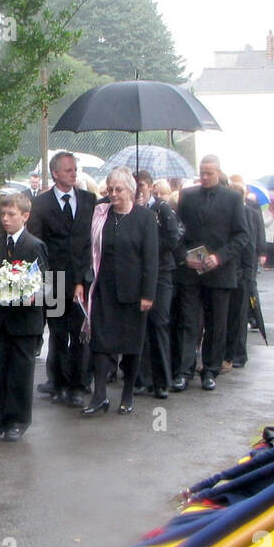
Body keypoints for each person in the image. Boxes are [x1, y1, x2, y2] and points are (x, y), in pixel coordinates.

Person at [79, 167, 158, 415]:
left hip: (133, 293)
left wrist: (148, 294)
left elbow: (151, 258)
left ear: (131, 191)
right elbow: (88, 251)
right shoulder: (101, 214)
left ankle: (127, 394)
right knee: (100, 344)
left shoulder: (144, 218)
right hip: (103, 289)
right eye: (110, 189)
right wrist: (82, 282)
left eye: (118, 189)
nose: (113, 194)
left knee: (131, 345)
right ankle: (100, 396)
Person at [172, 155, 249, 391]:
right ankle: (184, 371)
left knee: (217, 324)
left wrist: (219, 257)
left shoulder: (233, 198)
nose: (204, 177)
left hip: (219, 271)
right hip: (191, 271)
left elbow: (241, 236)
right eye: (202, 173)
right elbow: (178, 232)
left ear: (218, 173)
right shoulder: (188, 196)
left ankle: (211, 370)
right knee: (188, 321)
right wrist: (184, 256)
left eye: (209, 173)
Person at [0, 193, 49, 440]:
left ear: (25, 217)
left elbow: (43, 284)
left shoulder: (34, 246)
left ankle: (17, 421)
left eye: (11, 215)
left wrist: (30, 292)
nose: (5, 219)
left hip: (24, 321)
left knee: (20, 372)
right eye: (3, 215)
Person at [29, 151, 95, 407]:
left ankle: (78, 385)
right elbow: (37, 243)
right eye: (67, 169)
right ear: (55, 173)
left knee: (80, 333)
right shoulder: (42, 204)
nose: (73, 173)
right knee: (57, 333)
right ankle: (57, 381)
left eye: (74, 169)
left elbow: (91, 242)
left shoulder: (89, 200)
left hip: (81, 279)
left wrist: (82, 278)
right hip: (54, 279)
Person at [135, 169, 180, 396]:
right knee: (140, 327)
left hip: (161, 272)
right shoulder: (133, 211)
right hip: (140, 274)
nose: (138, 189)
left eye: (141, 185)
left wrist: (152, 243)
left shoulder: (161, 209)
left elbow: (173, 239)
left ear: (150, 186)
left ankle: (163, 380)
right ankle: (142, 378)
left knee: (159, 323)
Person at [226, 176, 264, 368]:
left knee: (239, 316)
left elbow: (250, 245)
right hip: (234, 271)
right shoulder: (237, 213)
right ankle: (230, 354)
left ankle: (238, 354)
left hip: (242, 272)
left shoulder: (249, 214)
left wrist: (249, 275)